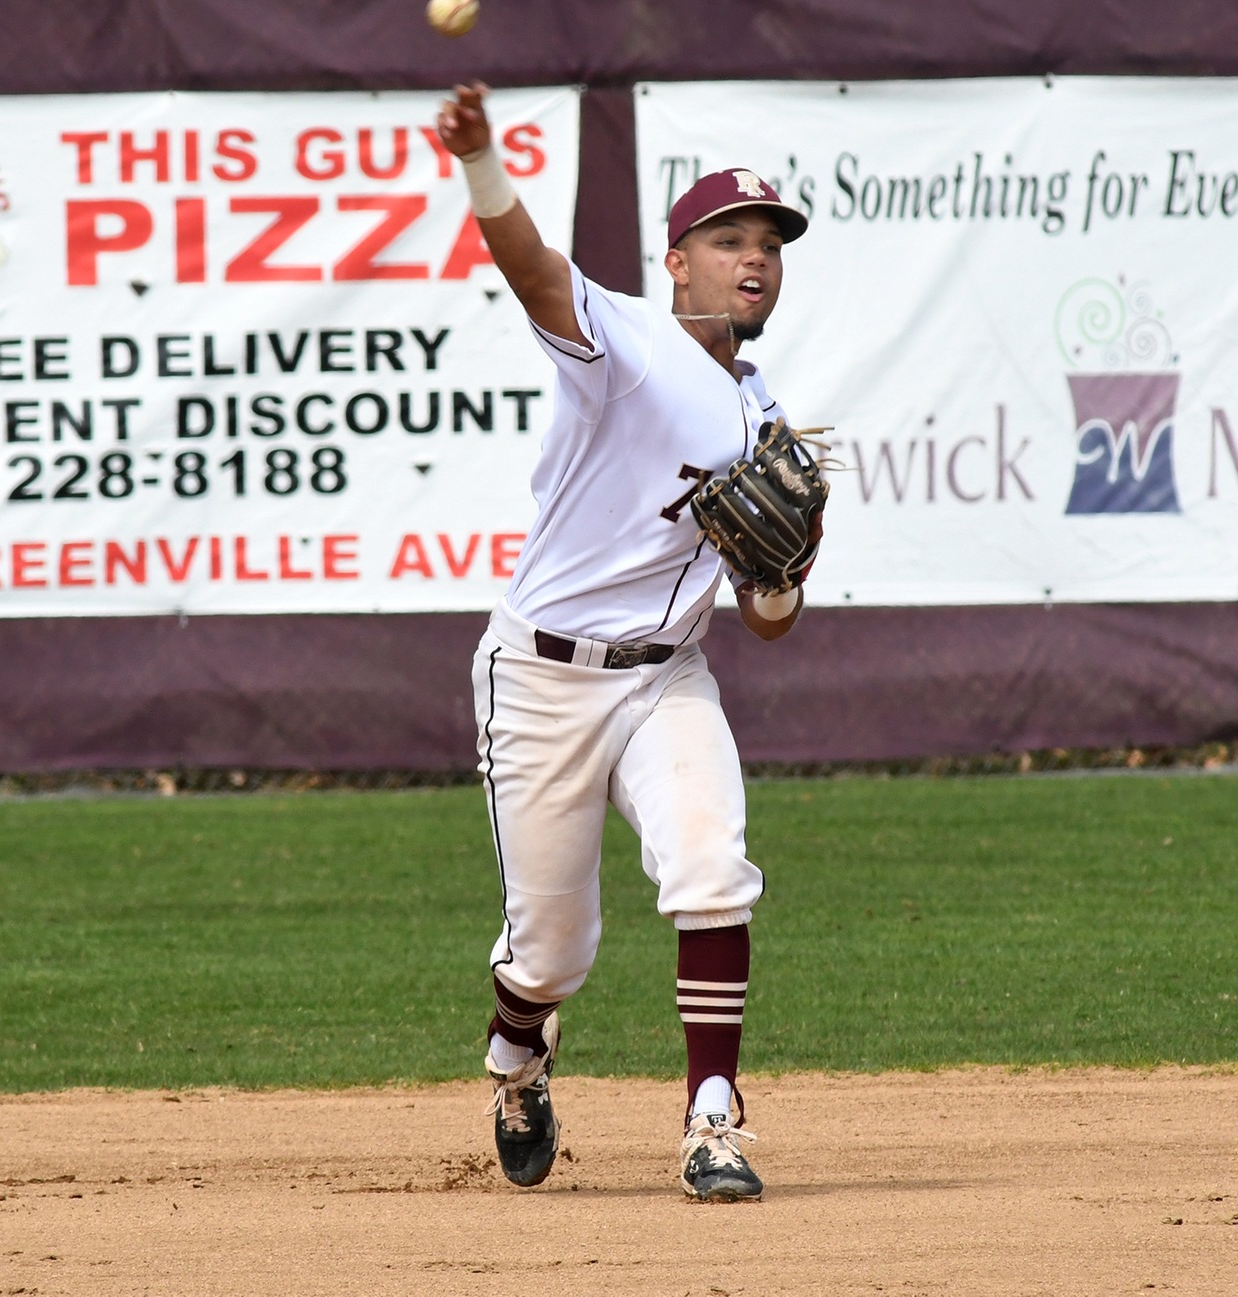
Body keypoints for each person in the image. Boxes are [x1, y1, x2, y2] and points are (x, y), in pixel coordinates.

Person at [435, 82, 818, 1202]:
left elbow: (770, 618)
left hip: (668, 682)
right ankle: (517, 1058)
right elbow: (532, 268)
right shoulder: (626, 342)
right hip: (543, 676)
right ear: (679, 261)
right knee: (552, 955)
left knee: (712, 870)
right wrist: (481, 161)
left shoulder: (769, 424)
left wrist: (778, 570)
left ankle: (714, 1121)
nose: (755, 259)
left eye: (770, 245)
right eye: (728, 239)